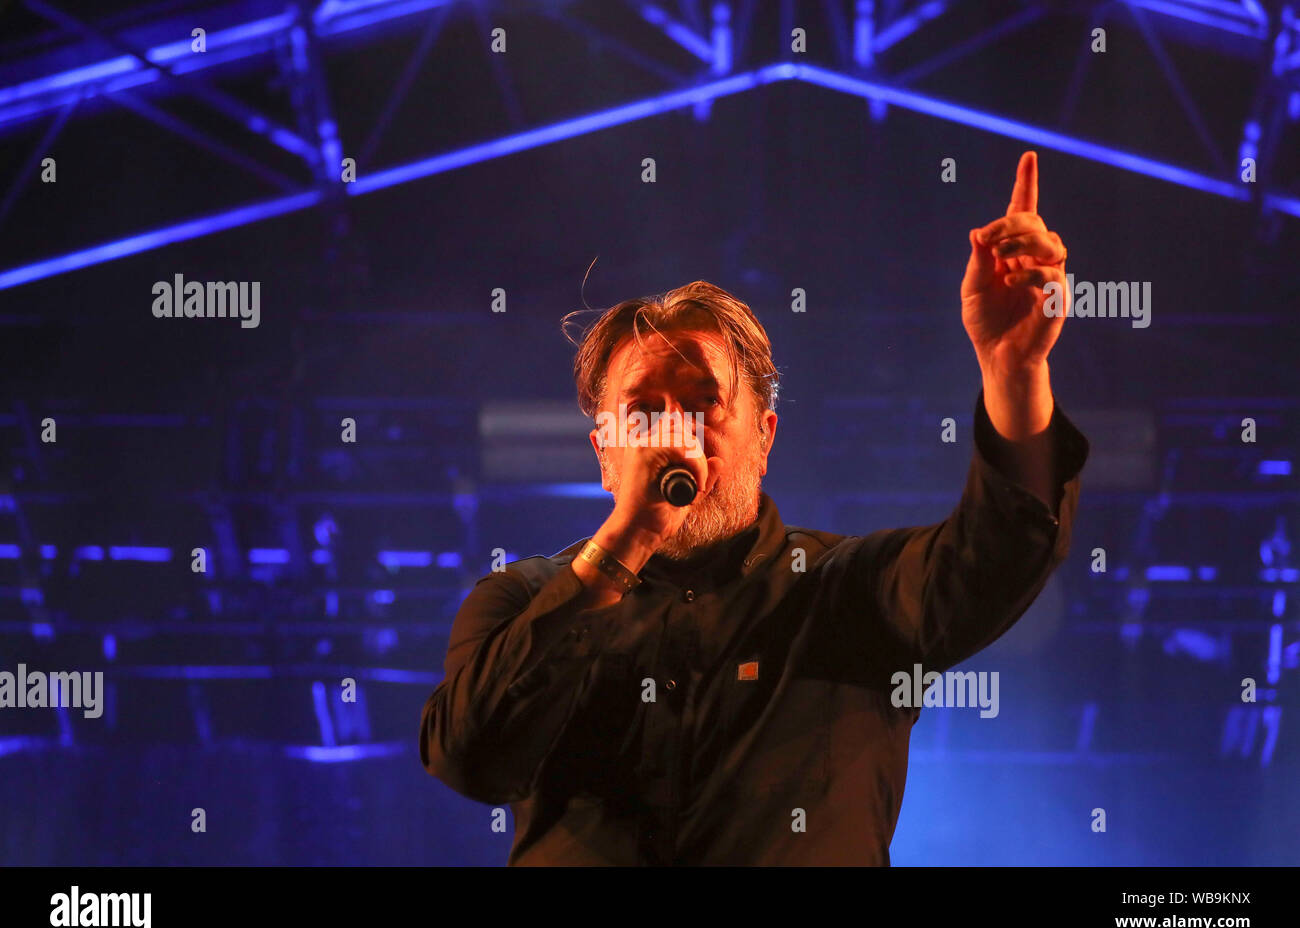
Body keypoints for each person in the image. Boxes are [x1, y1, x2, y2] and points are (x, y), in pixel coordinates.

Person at [420, 151, 1090, 864]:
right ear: (603, 453)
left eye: (702, 403)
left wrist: (1014, 373)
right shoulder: (518, 601)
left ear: (764, 436)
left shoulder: (849, 592)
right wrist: (625, 545)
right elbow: (472, 760)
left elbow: (994, 557)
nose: (675, 430)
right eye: (645, 411)